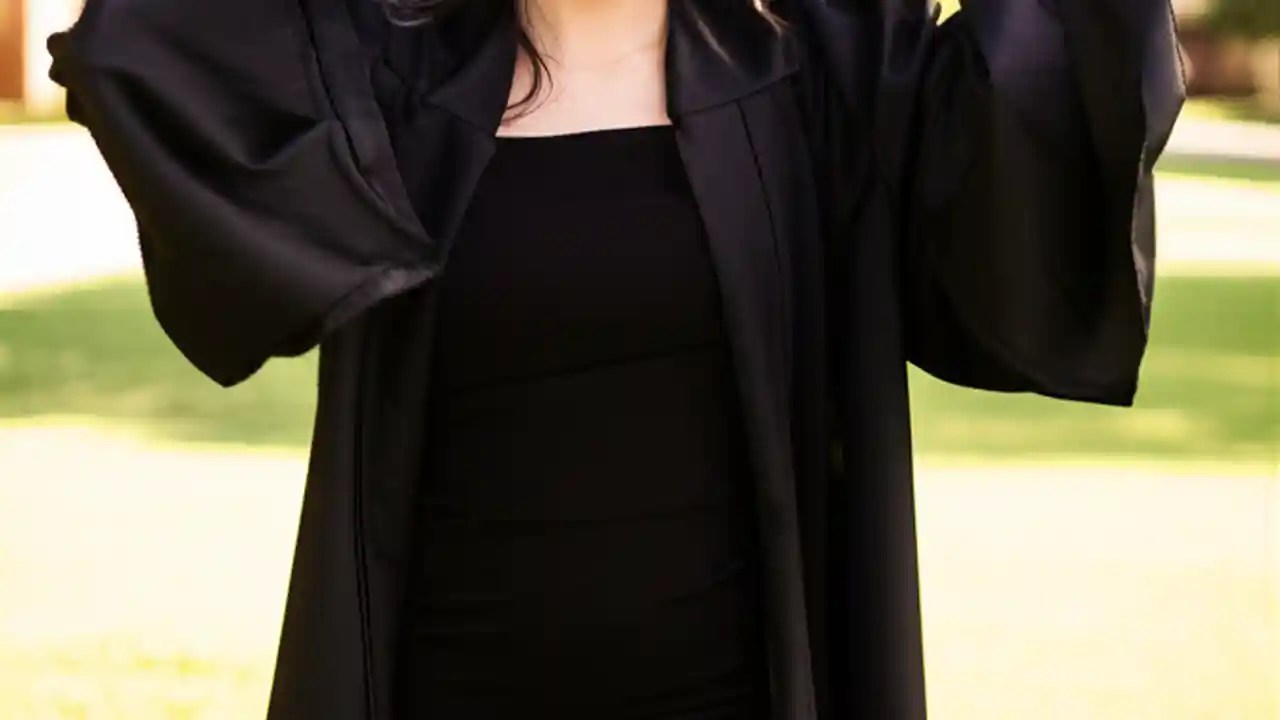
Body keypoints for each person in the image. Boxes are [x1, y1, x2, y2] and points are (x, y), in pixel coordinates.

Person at [45, 0, 1184, 718]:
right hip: (440, 676)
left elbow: (1057, 72)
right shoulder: (387, 83)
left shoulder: (828, 77)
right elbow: (140, 43)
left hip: (733, 682)